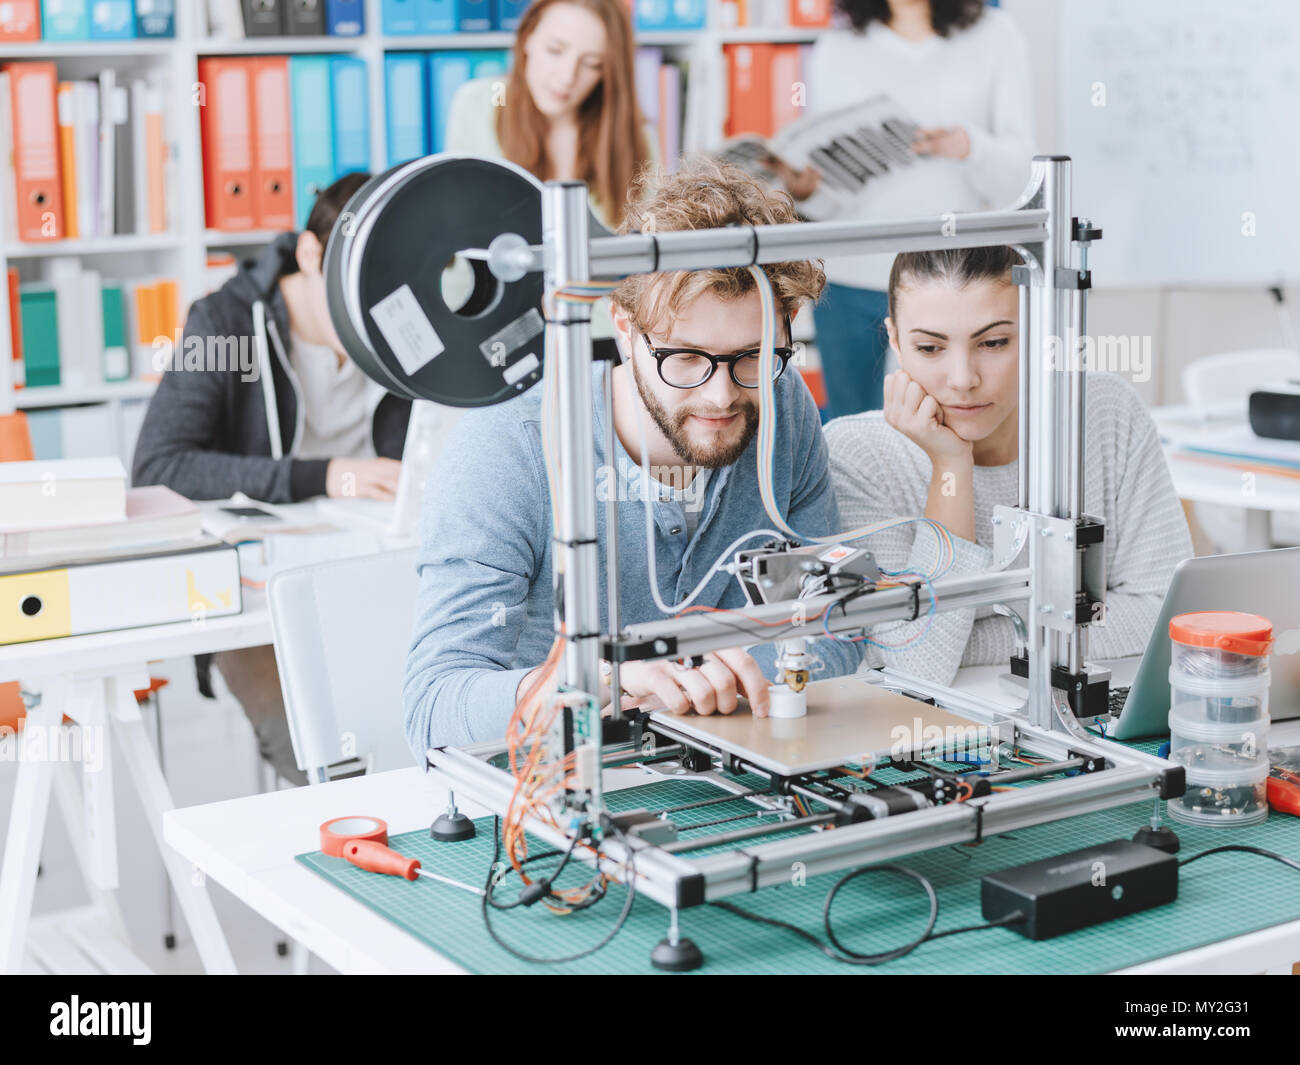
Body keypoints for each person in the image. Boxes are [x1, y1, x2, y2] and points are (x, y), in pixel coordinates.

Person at [404, 158, 862, 754]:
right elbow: (434, 709)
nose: (722, 395)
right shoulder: (508, 446)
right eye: (687, 358)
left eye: (751, 355)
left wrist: (748, 666)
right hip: (563, 786)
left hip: (731, 774)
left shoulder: (780, 404)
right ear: (623, 325)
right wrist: (597, 683)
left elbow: (835, 621)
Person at [132, 173, 411, 785]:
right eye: (359, 284)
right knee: (332, 760)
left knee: (437, 737)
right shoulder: (225, 323)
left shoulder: (407, 326)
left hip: (382, 572)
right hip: (258, 592)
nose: (379, 309)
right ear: (311, 255)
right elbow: (160, 467)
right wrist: (327, 476)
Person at [823, 245, 1194, 685]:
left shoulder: (1104, 411)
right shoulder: (857, 454)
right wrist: (950, 464)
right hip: (941, 730)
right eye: (929, 347)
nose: (962, 379)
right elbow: (913, 666)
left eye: (994, 342)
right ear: (896, 342)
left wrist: (972, 639)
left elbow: (1164, 611)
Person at [766, 0, 1035, 421]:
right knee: (852, 429)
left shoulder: (995, 35)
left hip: (951, 276)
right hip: (850, 276)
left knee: (951, 421)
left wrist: (971, 147)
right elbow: (829, 192)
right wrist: (806, 191)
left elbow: (1020, 178)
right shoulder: (836, 47)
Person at [441, 0, 657, 341]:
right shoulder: (484, 101)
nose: (567, 77)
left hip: (597, 336)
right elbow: (461, 241)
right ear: (527, 38)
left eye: (592, 64)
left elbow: (641, 271)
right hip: (492, 327)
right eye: (555, 50)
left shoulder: (637, 138)